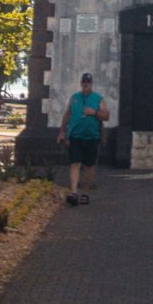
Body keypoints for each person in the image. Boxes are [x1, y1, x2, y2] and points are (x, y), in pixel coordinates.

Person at [61, 73, 107, 205]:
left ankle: (85, 192)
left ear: (91, 84)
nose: (85, 84)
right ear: (81, 83)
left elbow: (106, 115)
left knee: (90, 166)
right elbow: (67, 114)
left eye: (88, 82)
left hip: (92, 137)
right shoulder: (74, 98)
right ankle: (74, 193)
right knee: (75, 164)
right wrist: (62, 132)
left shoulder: (98, 99)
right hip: (75, 136)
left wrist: (95, 113)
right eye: (83, 82)